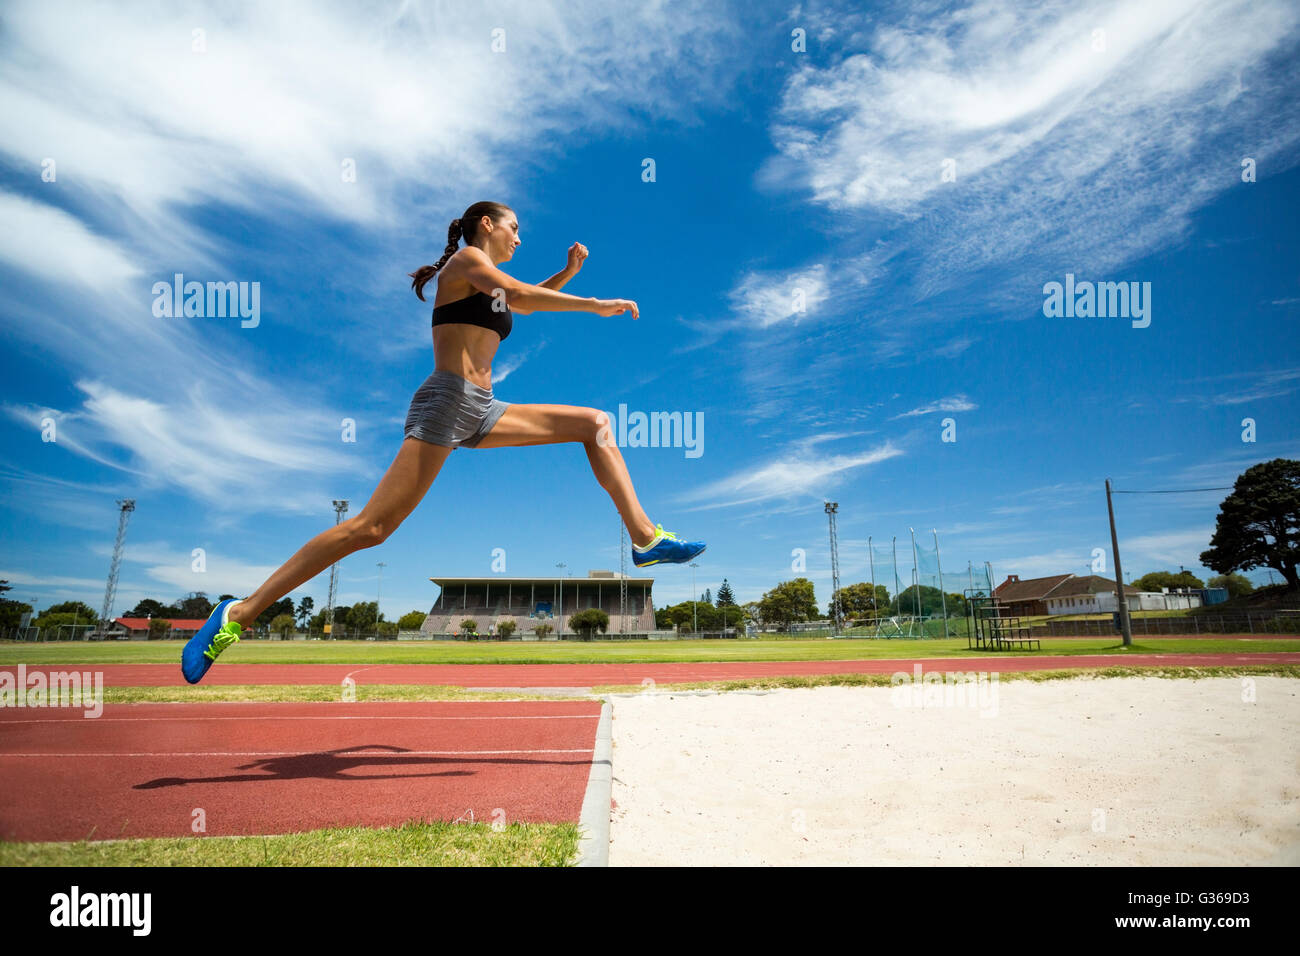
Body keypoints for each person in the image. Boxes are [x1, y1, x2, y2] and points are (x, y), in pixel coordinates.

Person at [181, 200, 705, 683]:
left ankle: (645, 540)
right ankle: (239, 613)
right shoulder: (463, 265)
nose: (519, 238)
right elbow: (520, 296)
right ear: (486, 225)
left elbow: (516, 302)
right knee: (371, 527)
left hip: (483, 409)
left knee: (595, 425)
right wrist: (593, 302)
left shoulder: (487, 280)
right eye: (514, 228)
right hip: (448, 400)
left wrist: (565, 276)